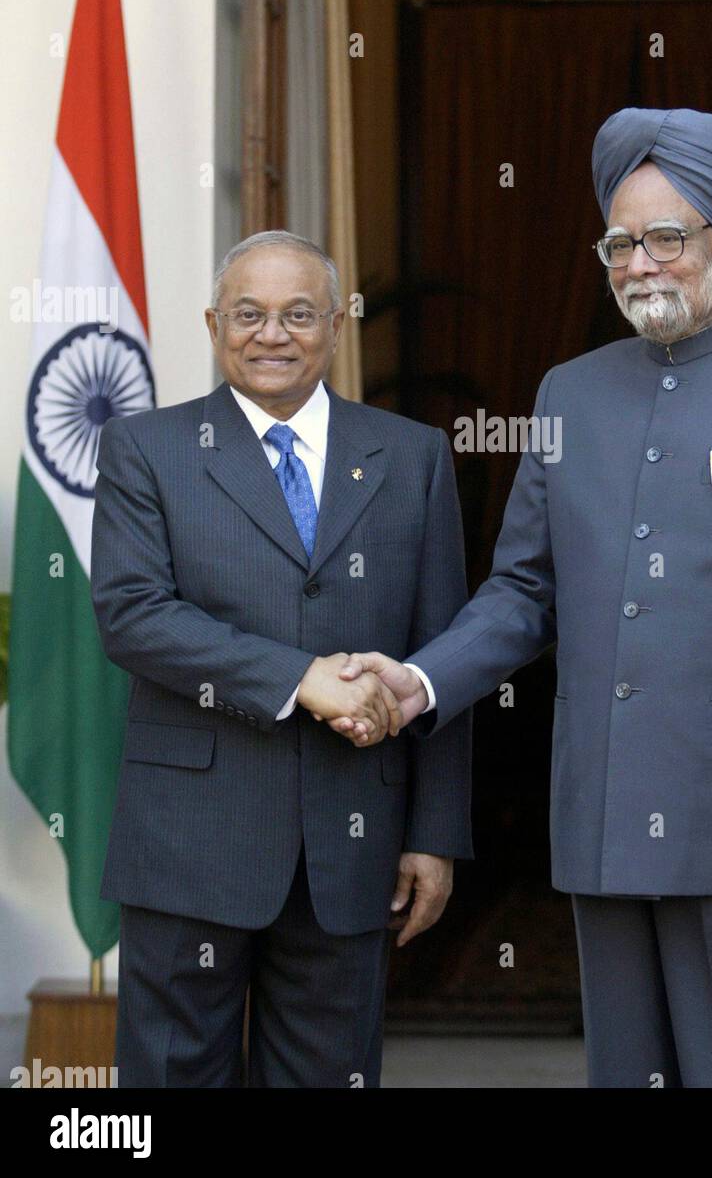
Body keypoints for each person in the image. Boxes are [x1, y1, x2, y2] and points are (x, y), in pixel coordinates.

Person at [339, 108, 712, 1088]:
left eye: (665, 238)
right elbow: (524, 590)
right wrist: (419, 681)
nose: (639, 264)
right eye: (619, 243)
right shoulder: (571, 392)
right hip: (601, 819)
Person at [91, 230, 472, 1087]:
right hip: (189, 842)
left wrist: (434, 834)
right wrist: (298, 679)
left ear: (336, 324)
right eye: (248, 314)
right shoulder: (146, 449)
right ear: (213, 325)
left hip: (353, 843)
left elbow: (443, 656)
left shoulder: (411, 455)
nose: (272, 334)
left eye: (299, 314)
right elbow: (132, 617)